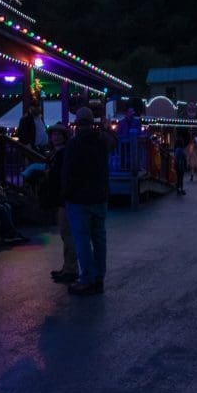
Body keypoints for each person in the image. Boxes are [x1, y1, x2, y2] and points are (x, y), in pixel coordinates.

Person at [61, 106, 111, 296]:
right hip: (99, 197)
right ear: (92, 121)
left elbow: (69, 172)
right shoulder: (102, 141)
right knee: (99, 239)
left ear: (77, 123)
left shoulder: (74, 144)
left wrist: (66, 193)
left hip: (79, 200)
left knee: (82, 240)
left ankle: (87, 278)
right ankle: (99, 277)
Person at [44, 122, 79, 284]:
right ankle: (67, 266)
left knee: (68, 234)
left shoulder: (63, 154)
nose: (55, 137)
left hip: (66, 199)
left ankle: (71, 269)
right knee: (65, 234)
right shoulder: (56, 154)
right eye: (53, 134)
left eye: (59, 134)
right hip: (61, 198)